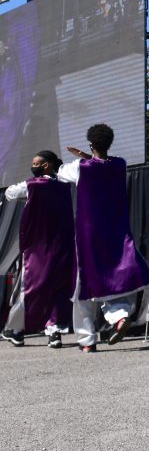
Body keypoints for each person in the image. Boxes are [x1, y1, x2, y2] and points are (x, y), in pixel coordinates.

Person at [59, 123, 149, 353]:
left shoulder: (80, 167)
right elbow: (103, 163)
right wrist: (88, 156)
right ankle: (119, 316)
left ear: (91, 144)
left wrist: (83, 158)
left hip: (88, 233)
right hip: (115, 229)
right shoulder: (120, 165)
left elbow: (61, 173)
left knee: (83, 284)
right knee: (109, 278)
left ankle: (87, 341)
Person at [1, 150, 75, 349]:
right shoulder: (64, 186)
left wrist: (28, 198)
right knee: (58, 290)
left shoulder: (32, 186)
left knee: (29, 289)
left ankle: (16, 330)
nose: (32, 165)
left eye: (36, 163)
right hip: (62, 248)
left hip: (37, 249)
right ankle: (54, 332)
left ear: (46, 165)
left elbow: (9, 193)